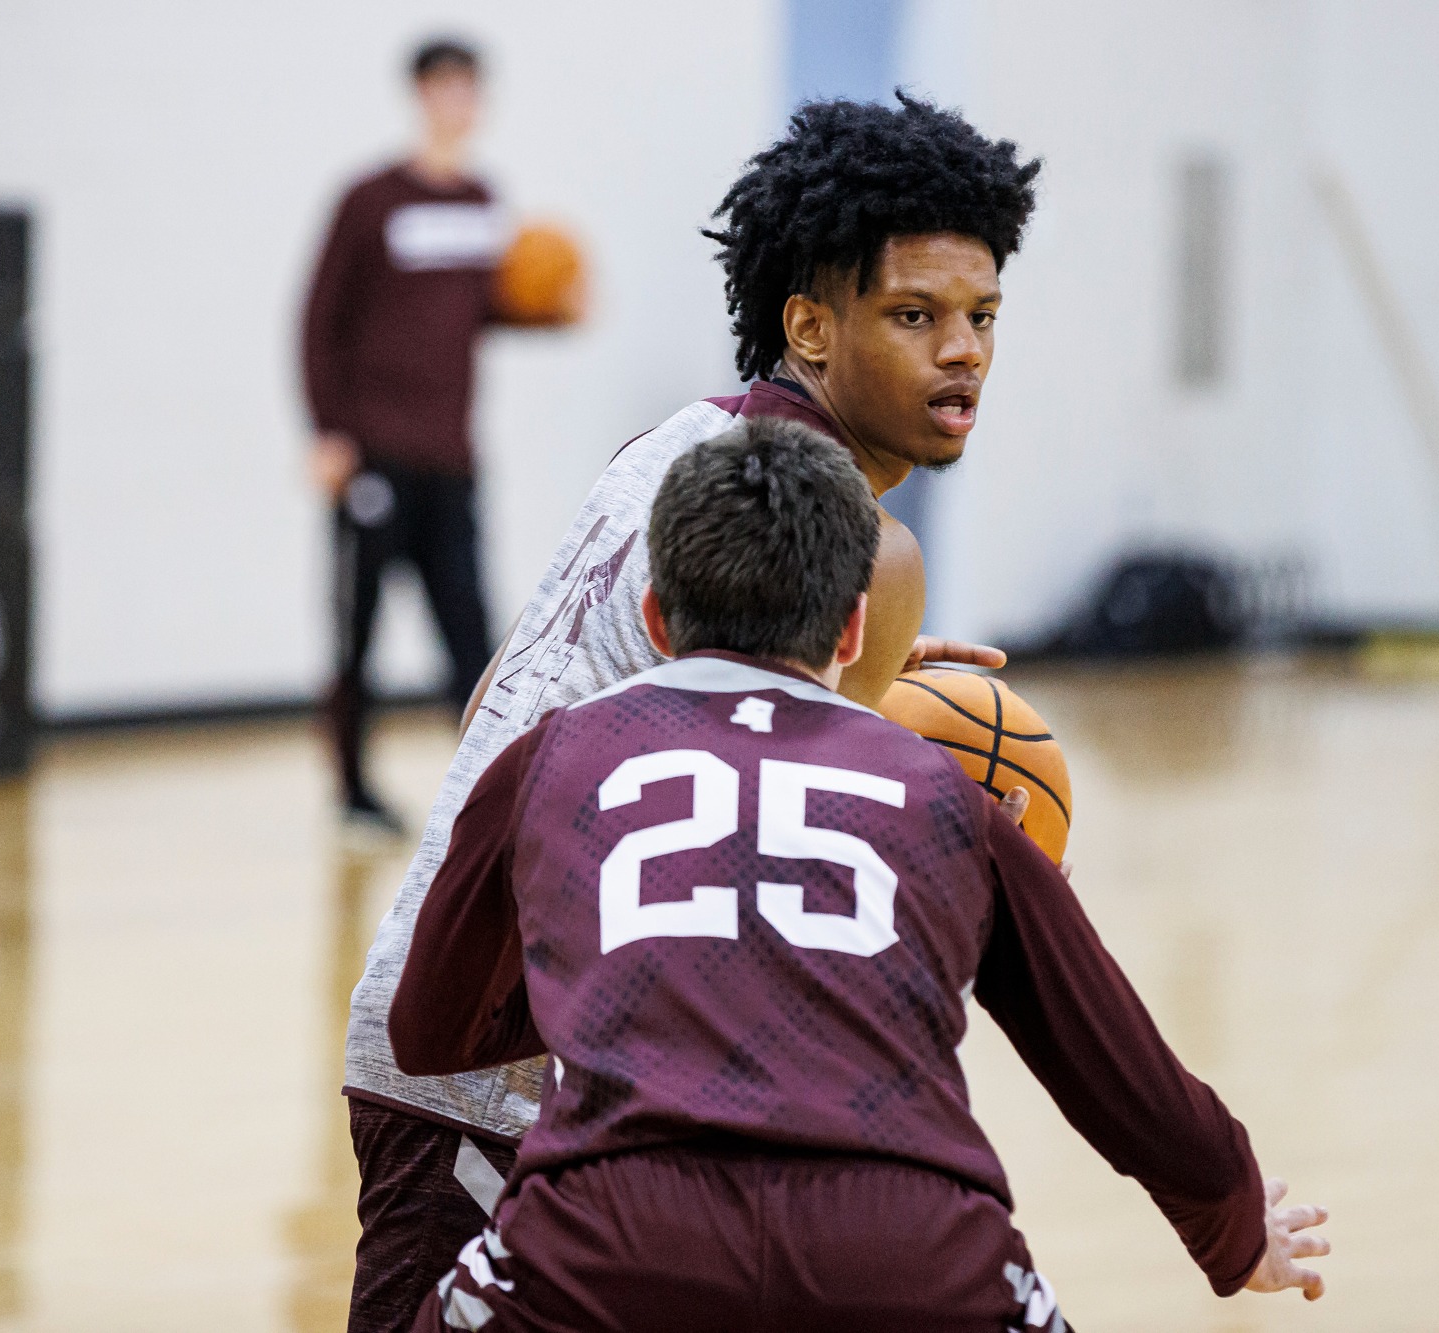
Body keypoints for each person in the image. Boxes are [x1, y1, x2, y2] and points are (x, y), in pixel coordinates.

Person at [340, 95, 1040, 1331]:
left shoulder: (679, 452)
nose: (963, 353)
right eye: (915, 316)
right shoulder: (861, 552)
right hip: (508, 1075)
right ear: (810, 328)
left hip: (489, 1038)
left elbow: (567, 701)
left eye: (981, 317)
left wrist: (830, 669)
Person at [391, 418, 1329, 1330]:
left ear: (654, 618)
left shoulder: (549, 756)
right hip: (912, 1245)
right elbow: (1118, 1065)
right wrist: (1234, 1223)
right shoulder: (949, 798)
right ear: (853, 630)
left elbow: (427, 1028)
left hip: (613, 1237)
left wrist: (596, 999)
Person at [302, 38, 564, 834]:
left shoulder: (485, 201)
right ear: (420, 95)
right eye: (445, 88)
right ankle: (351, 793)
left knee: (471, 633)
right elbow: (319, 320)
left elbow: (475, 309)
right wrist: (329, 432)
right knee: (357, 630)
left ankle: (484, 792)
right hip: (375, 452)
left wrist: (549, 308)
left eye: (470, 90)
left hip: (452, 458)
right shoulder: (370, 199)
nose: (458, 103)